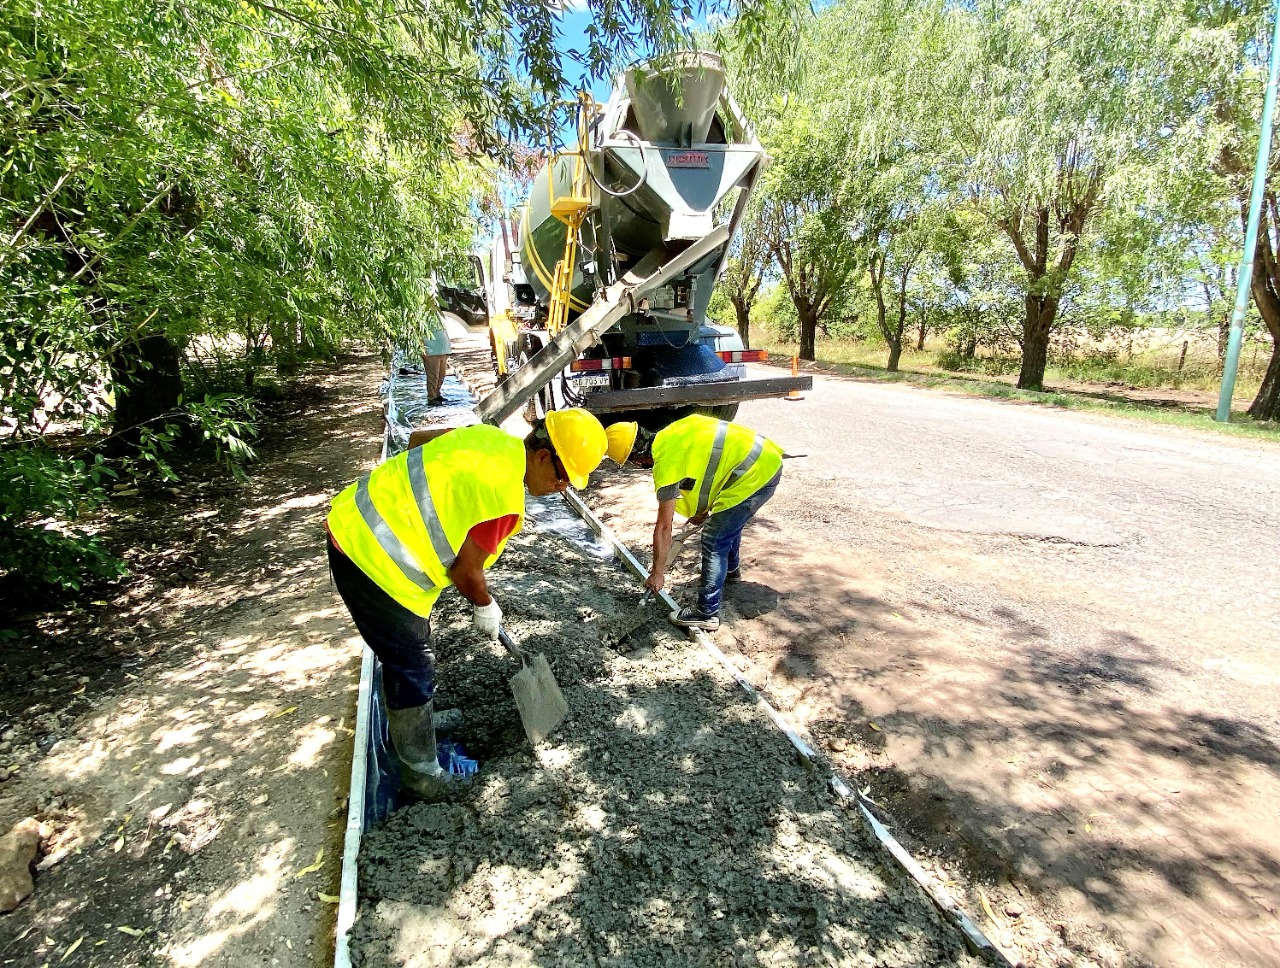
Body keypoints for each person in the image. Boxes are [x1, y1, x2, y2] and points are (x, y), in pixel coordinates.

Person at [325, 409, 608, 801]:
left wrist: (407, 503)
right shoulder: (504, 499)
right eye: (562, 477)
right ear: (543, 456)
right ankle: (423, 775)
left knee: (412, 650)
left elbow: (418, 442)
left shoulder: (487, 437)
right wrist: (485, 605)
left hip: (355, 517)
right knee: (412, 663)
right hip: (370, 560)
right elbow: (465, 572)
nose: (561, 487)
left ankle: (417, 724)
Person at [605, 414, 782, 632]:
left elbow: (663, 528)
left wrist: (657, 574)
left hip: (756, 473)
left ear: (637, 458)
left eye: (634, 463)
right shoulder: (671, 434)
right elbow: (711, 467)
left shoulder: (667, 464)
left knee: (714, 538)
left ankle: (706, 613)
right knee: (726, 519)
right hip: (764, 457)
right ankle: (730, 571)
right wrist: (702, 510)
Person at [421, 317, 452, 405]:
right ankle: (431, 397)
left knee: (441, 375)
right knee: (433, 376)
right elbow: (417, 332)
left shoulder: (437, 314)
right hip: (431, 351)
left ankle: (437, 394)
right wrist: (423, 349)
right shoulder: (422, 314)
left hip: (442, 350)